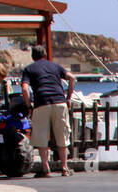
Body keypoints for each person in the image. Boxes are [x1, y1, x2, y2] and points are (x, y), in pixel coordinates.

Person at [20, 44, 76, 178]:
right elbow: (72, 78)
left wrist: (29, 106)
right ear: (45, 55)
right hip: (59, 102)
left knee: (42, 138)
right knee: (62, 136)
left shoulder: (29, 69)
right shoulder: (54, 66)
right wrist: (68, 98)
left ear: (33, 56)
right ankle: (64, 167)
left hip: (42, 103)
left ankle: (46, 169)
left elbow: (24, 88)